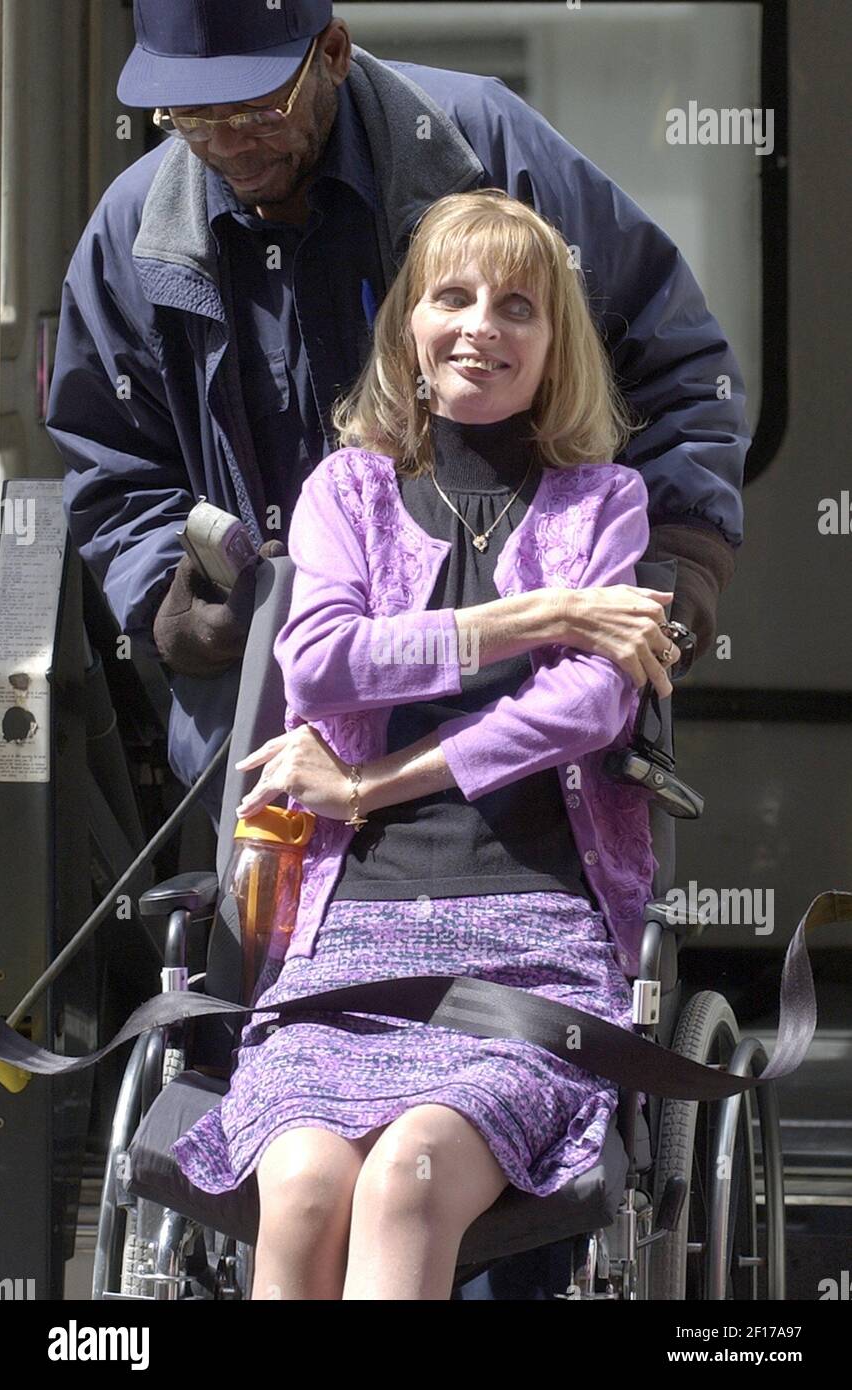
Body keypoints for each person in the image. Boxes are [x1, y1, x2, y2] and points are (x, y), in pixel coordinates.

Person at [45, 0, 748, 831]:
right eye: (192, 117)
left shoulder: (484, 150)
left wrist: (678, 563)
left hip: (536, 752)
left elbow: (676, 366)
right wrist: (172, 592)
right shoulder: (129, 233)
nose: (227, 143)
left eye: (258, 109)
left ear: (333, 53)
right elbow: (115, 464)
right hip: (277, 749)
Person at [169, 187, 679, 1301]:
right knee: (302, 1186)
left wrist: (369, 782)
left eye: (517, 307)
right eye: (451, 296)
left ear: (555, 346)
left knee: (404, 1175)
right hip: (349, 941)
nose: (480, 326)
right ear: (408, 325)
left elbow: (587, 712)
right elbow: (323, 663)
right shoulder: (346, 489)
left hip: (533, 940)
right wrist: (544, 614)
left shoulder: (604, 504)